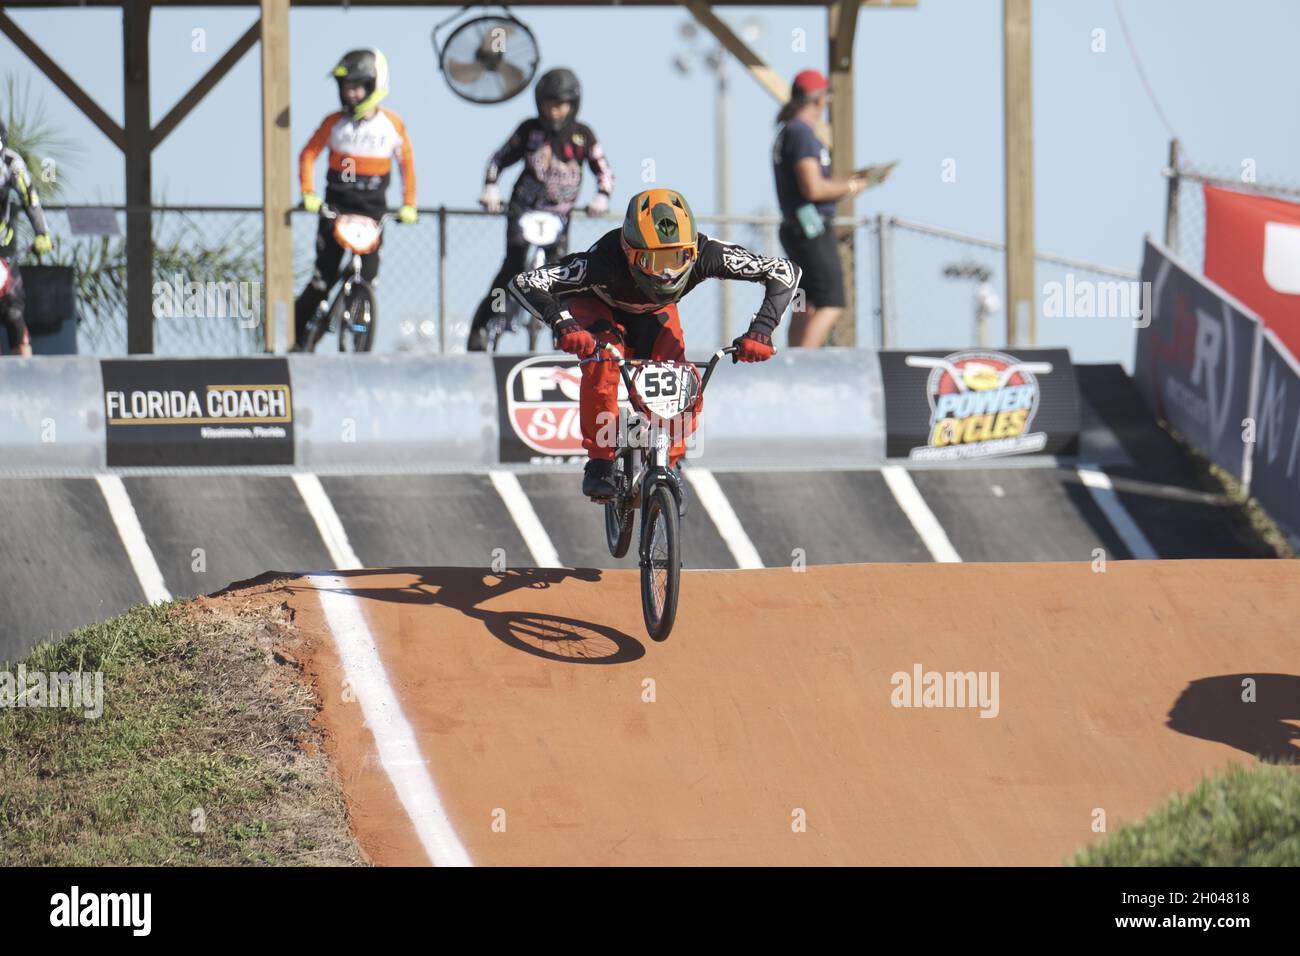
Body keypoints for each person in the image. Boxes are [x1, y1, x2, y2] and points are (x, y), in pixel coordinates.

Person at [508, 187, 801, 500]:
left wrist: (761, 329)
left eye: (678, 257)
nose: (666, 272)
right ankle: (600, 461)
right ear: (628, 249)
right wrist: (564, 324)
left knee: (683, 378)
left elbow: (783, 270)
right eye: (652, 259)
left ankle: (671, 461)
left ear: (692, 250)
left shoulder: (709, 252)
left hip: (655, 313)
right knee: (604, 365)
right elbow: (525, 282)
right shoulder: (601, 262)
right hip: (596, 305)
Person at [467, 67, 614, 351]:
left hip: (559, 217)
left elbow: (604, 171)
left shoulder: (583, 136)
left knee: (562, 276)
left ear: (572, 105)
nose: (554, 111)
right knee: (513, 267)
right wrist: (490, 188)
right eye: (549, 104)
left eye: (560, 105)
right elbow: (498, 160)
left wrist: (602, 196)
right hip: (523, 210)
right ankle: (482, 328)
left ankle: (564, 336)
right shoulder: (529, 131)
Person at [293, 48, 417, 349]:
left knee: (369, 278)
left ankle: (359, 328)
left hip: (373, 213)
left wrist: (409, 203)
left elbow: (406, 164)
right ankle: (296, 341)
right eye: (346, 88)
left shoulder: (392, 124)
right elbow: (308, 154)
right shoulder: (333, 123)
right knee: (322, 279)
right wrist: (307, 193)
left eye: (357, 87)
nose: (350, 94)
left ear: (374, 86)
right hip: (336, 209)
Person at [772, 69, 869, 349]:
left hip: (797, 228)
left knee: (806, 303)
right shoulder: (800, 133)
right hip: (810, 230)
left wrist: (850, 180)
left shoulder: (790, 131)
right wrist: (852, 187)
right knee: (832, 302)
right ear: (818, 100)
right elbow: (813, 188)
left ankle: (791, 364)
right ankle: (803, 367)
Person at [0, 120, 53, 357]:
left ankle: (24, 379)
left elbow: (30, 197)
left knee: (12, 312)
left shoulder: (12, 163)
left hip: (3, 248)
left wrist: (42, 232)